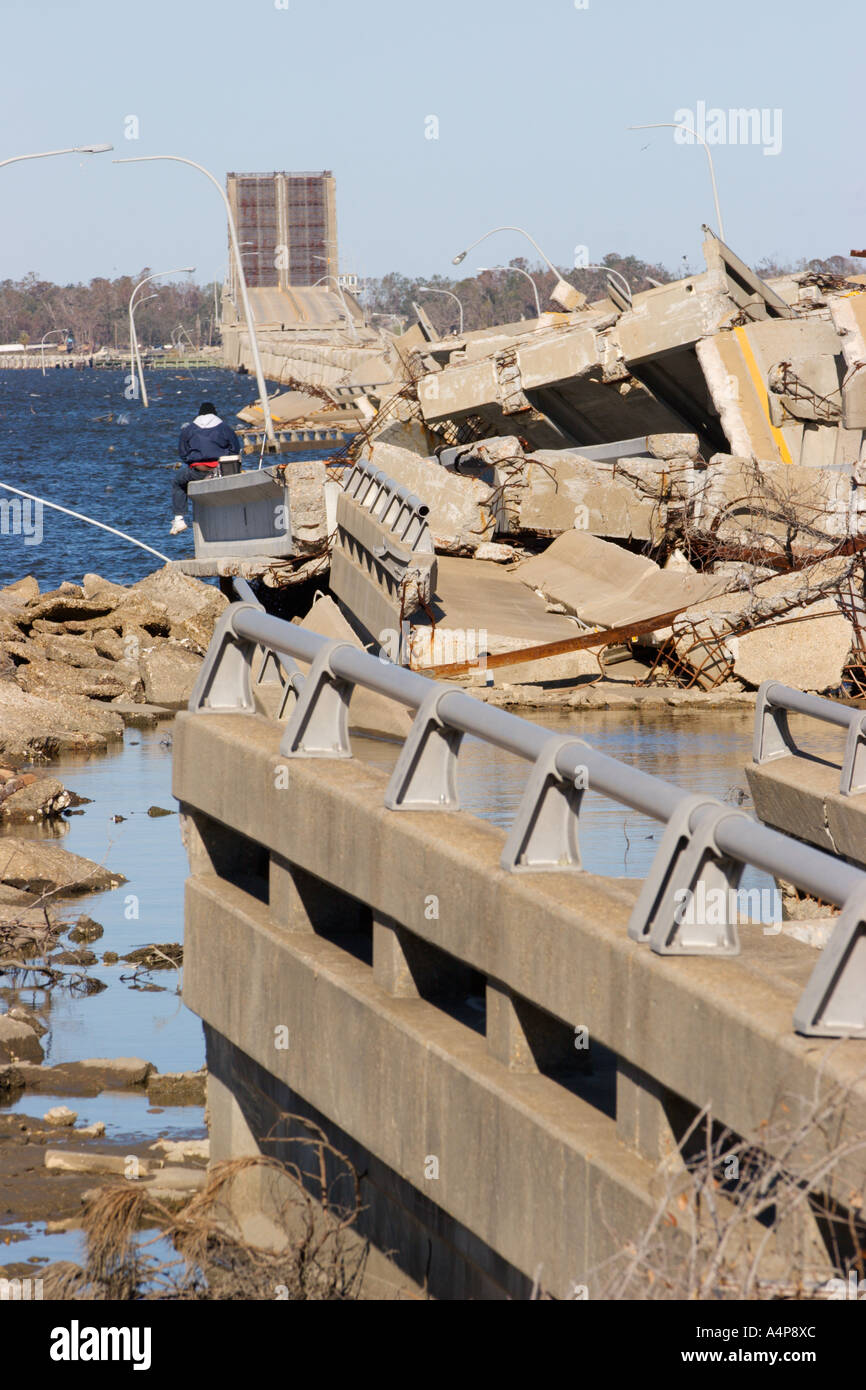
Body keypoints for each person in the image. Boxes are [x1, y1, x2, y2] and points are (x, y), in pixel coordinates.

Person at [170, 402, 241, 535]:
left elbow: (183, 453)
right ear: (215, 413)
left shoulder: (188, 429)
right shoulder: (224, 428)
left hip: (197, 471)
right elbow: (235, 449)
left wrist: (192, 461)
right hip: (222, 470)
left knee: (177, 482)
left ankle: (179, 519)